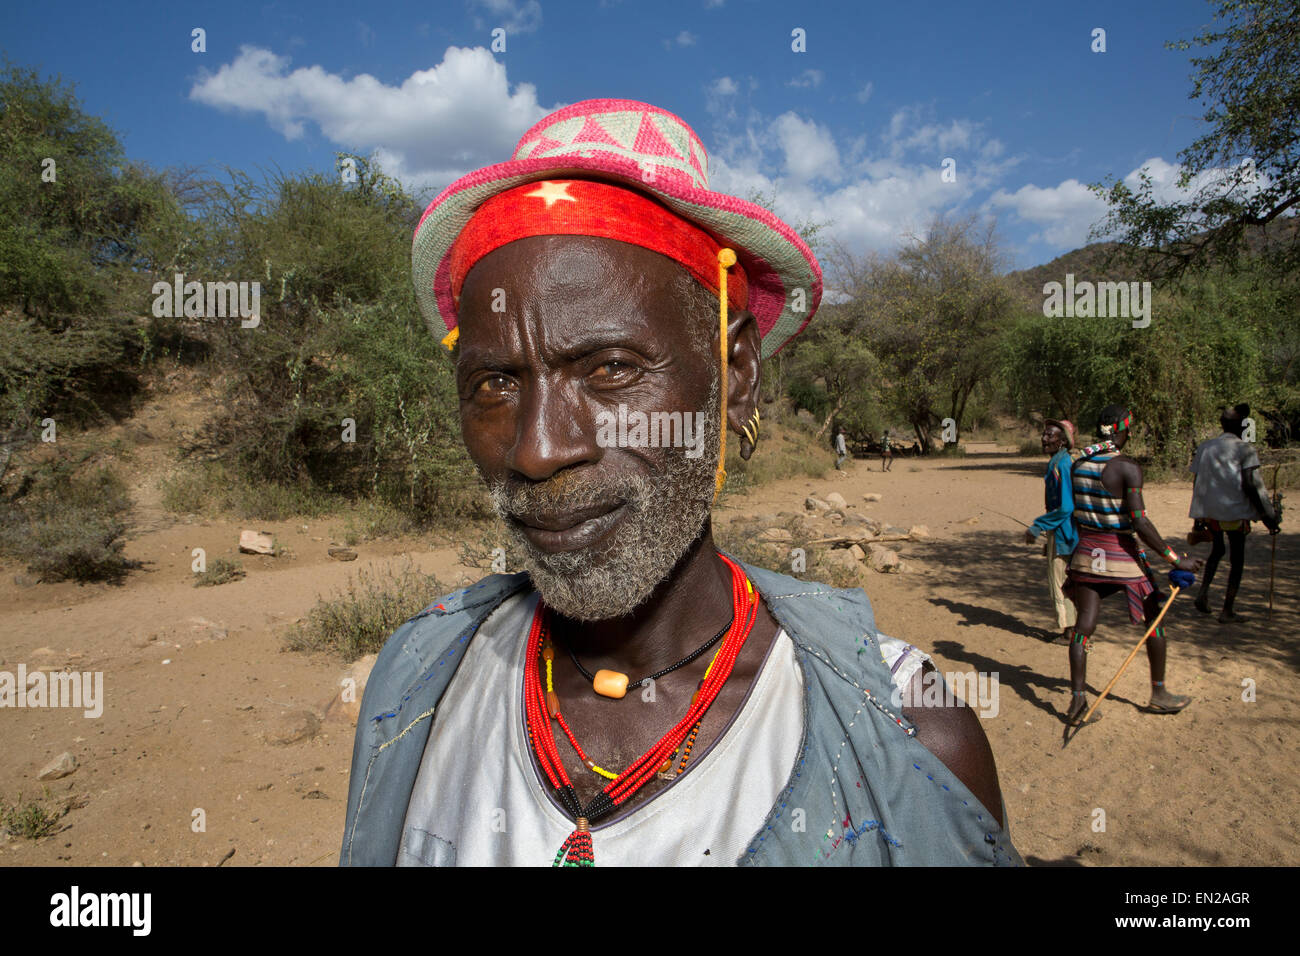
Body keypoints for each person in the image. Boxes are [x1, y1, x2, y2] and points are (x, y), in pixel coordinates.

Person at [339, 99, 1019, 866]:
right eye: (495, 384)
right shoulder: (419, 683)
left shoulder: (906, 745)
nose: (536, 451)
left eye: (611, 369)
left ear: (735, 375)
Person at [1062, 405, 1203, 726]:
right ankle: (1159, 694)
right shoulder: (1127, 467)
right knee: (1155, 618)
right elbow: (1139, 523)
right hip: (1120, 553)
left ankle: (1077, 701)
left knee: (1083, 627)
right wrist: (1175, 558)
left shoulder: (1079, 463)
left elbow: (1076, 512)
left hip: (1086, 554)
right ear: (1123, 430)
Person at [1188, 403, 1281, 622]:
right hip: (1235, 513)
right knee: (1237, 559)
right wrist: (1268, 518)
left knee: (1218, 550)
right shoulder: (1244, 449)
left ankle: (1203, 593)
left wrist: (1198, 516)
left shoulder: (1206, 447)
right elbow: (1250, 486)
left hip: (1211, 512)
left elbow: (1197, 482)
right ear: (1242, 425)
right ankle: (1227, 610)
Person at [1023, 419, 1079, 644]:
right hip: (1063, 531)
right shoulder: (1058, 462)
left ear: (1063, 441)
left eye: (1050, 435)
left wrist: (1039, 525)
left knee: (1059, 581)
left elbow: (1066, 507)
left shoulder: (1062, 464)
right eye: (1044, 434)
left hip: (1065, 532)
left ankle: (1069, 631)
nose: (1044, 439)